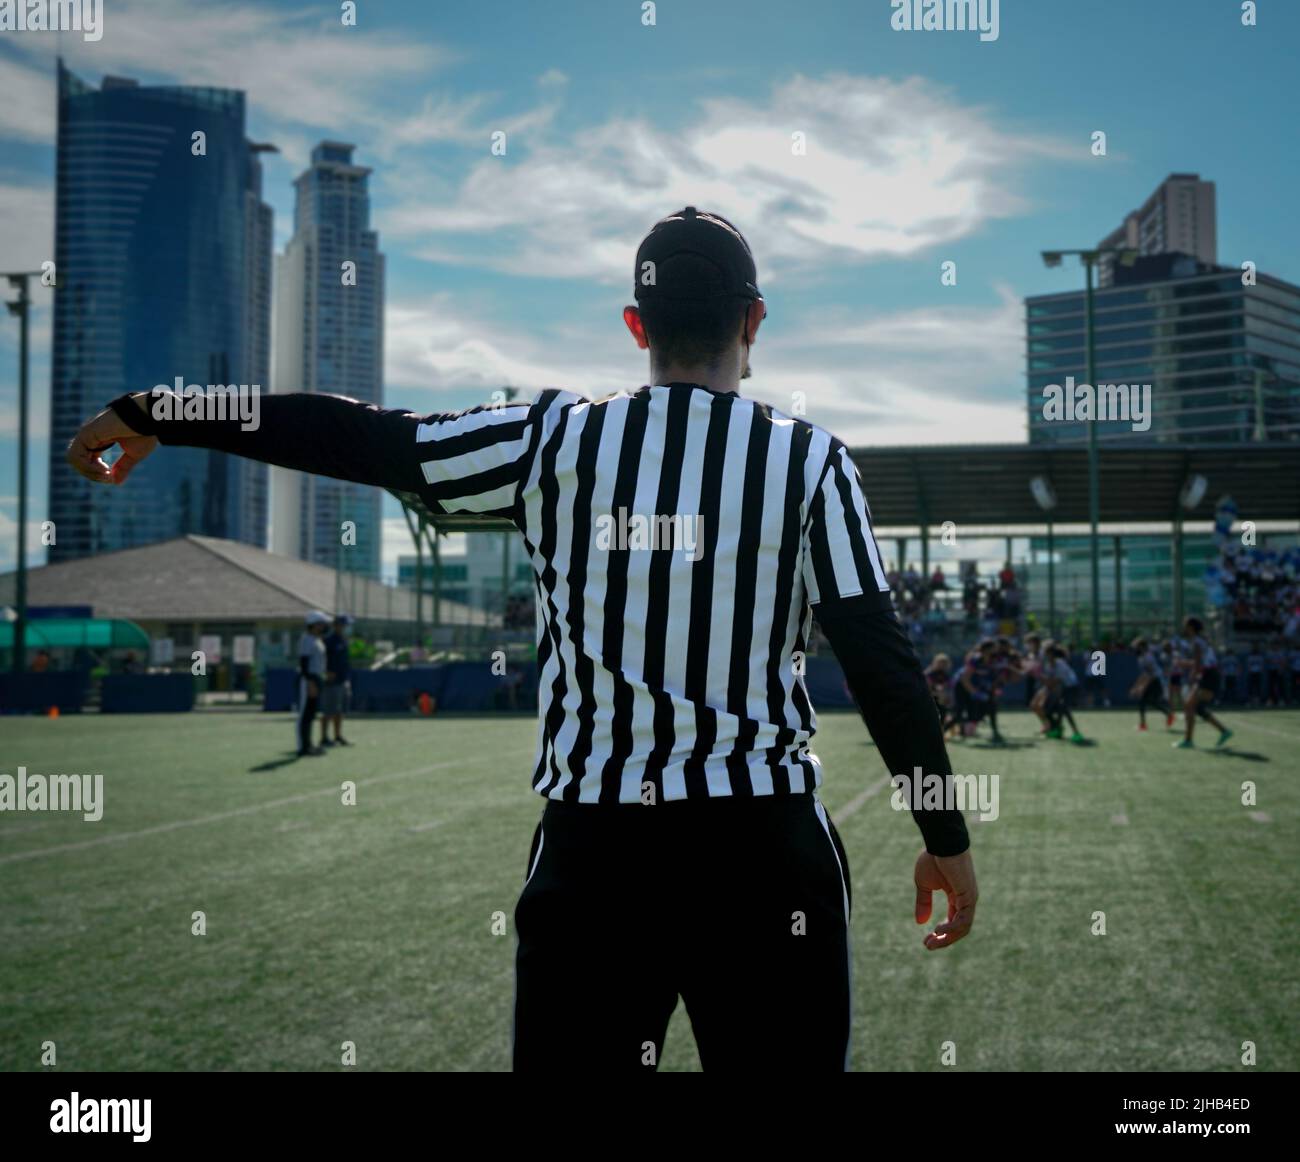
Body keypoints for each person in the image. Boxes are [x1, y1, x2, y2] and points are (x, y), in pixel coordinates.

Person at [67, 207, 976, 1072]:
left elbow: (360, 437)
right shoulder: (808, 461)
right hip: (765, 851)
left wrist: (161, 410)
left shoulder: (549, 440)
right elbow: (879, 660)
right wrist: (943, 831)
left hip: (598, 861)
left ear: (635, 323)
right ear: (755, 320)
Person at [1173, 616, 1232, 750]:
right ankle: (1224, 731)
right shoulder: (1199, 640)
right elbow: (1199, 662)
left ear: (1191, 627)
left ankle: (1188, 741)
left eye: (1186, 625)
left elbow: (1198, 664)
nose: (1184, 628)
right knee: (1196, 708)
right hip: (1210, 675)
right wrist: (1184, 664)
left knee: (1189, 706)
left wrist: (1192, 677)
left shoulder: (1197, 642)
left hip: (1209, 676)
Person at [297, 611, 329, 757]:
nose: (323, 626)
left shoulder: (316, 639)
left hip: (316, 678)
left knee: (311, 714)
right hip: (309, 679)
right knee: (305, 714)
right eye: (321, 623)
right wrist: (310, 682)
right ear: (314, 624)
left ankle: (309, 745)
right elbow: (303, 663)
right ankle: (302, 747)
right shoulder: (307, 639)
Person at [320, 614, 354, 747]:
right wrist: (327, 672)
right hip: (331, 680)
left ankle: (338, 736)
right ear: (337, 626)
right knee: (329, 710)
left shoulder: (343, 640)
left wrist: (346, 678)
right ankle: (324, 737)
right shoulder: (329, 641)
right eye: (345, 625)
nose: (347, 628)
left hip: (342, 679)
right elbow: (323, 658)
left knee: (340, 710)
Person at [1042, 645, 1085, 743]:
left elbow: (1057, 682)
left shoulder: (1061, 664)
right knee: (1046, 709)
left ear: (1053, 655)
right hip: (1060, 689)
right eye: (1046, 655)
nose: (1047, 657)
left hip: (1071, 688)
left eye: (1048, 654)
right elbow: (1050, 684)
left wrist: (1045, 680)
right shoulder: (1048, 666)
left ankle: (1076, 733)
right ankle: (1057, 729)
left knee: (1063, 708)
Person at [1129, 637, 1171, 732]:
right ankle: (1168, 714)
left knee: (1144, 700)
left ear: (1142, 647)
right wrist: (1136, 686)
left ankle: (1143, 725)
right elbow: (1144, 674)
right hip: (1152, 680)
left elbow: (1151, 674)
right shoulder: (1141, 657)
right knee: (1150, 701)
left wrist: (1142, 687)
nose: (1135, 649)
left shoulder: (1148, 657)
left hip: (1156, 681)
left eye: (1136, 647)